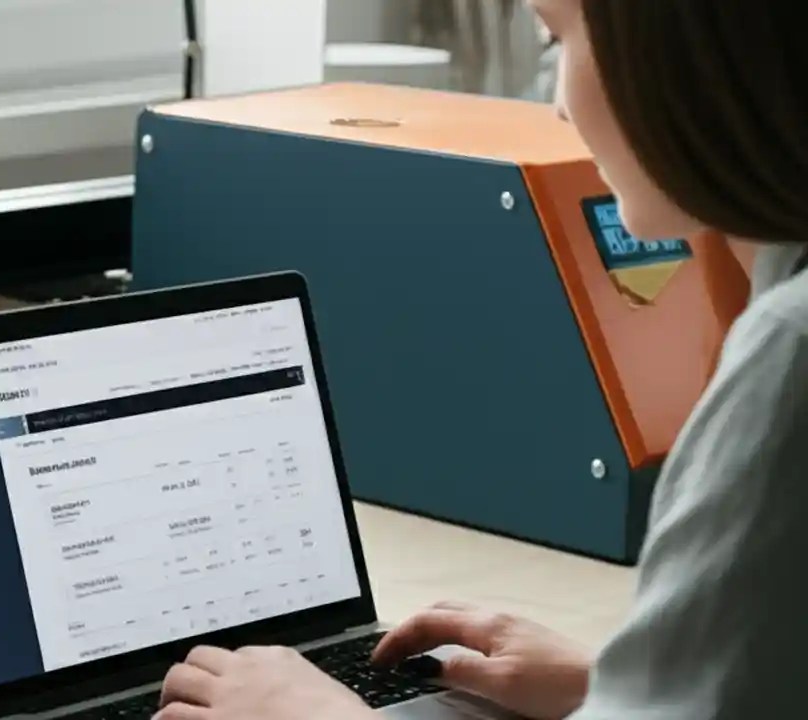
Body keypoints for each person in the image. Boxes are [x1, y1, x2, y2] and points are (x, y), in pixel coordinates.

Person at [153, 0, 808, 718]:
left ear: (685, 50)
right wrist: (626, 684)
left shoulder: (790, 357)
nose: (559, 108)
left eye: (557, 39)